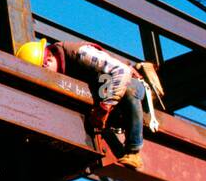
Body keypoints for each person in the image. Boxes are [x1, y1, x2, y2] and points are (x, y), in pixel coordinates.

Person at [17, 38, 156, 169]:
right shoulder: (63, 72)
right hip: (101, 86)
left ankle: (134, 151)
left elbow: (121, 71)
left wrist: (104, 108)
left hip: (126, 81)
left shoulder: (81, 53)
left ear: (46, 61)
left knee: (129, 89)